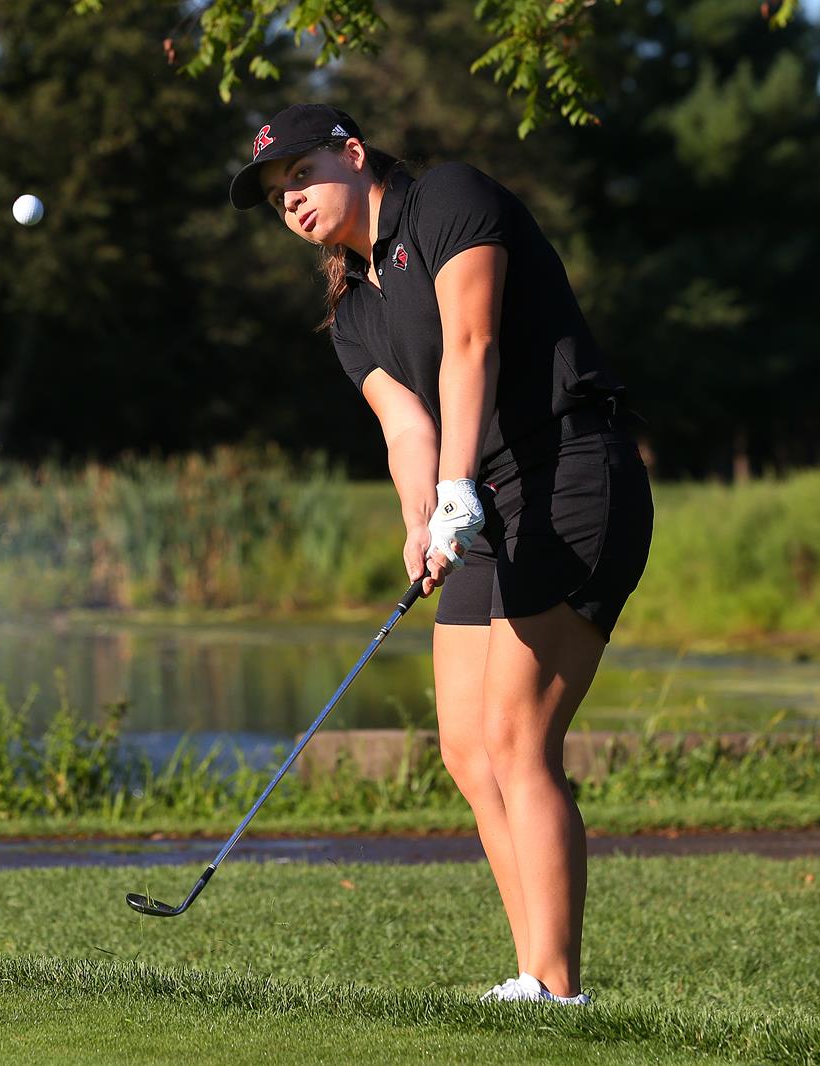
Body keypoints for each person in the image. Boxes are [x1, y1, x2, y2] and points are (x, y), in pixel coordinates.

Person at [230, 104, 653, 1005]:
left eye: (301, 177)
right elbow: (405, 427)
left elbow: (473, 343)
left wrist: (457, 486)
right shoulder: (352, 313)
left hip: (572, 475)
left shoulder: (449, 199)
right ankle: (529, 976)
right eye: (276, 198)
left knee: (517, 737)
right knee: (468, 750)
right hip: (485, 504)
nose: (292, 202)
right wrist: (424, 523)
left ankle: (561, 990)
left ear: (353, 155)